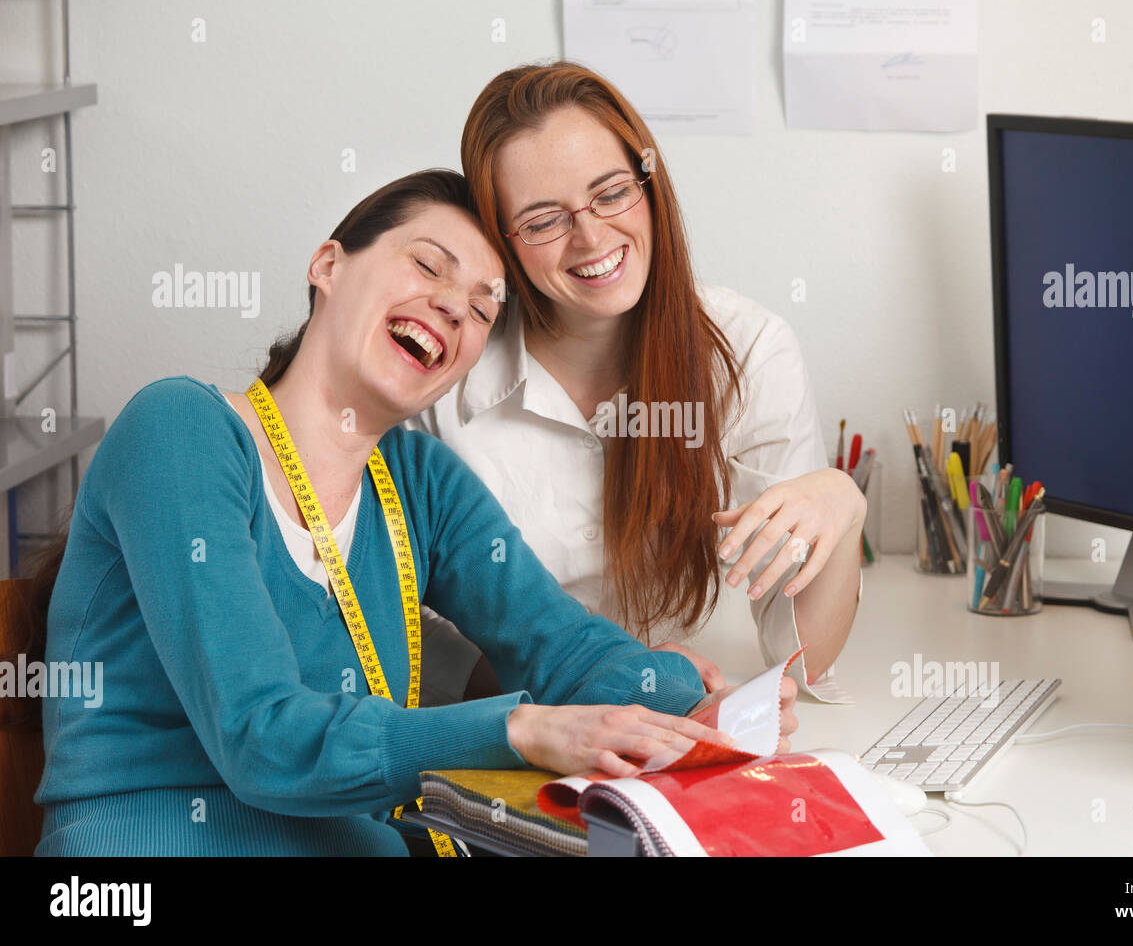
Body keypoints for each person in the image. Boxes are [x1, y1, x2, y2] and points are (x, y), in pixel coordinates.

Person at [27, 169, 741, 857]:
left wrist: (687, 699)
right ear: (328, 267)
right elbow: (260, 738)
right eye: (430, 267)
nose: (456, 307)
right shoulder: (180, 430)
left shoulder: (421, 482)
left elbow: (564, 649)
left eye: (483, 308)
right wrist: (519, 729)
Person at [407, 62, 866, 705]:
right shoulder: (443, 371)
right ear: (502, 241)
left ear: (649, 181)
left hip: (681, 728)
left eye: (612, 191)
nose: (592, 236)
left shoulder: (752, 351)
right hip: (507, 739)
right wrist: (587, 681)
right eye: (543, 221)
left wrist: (842, 506)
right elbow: (394, 626)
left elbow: (801, 661)